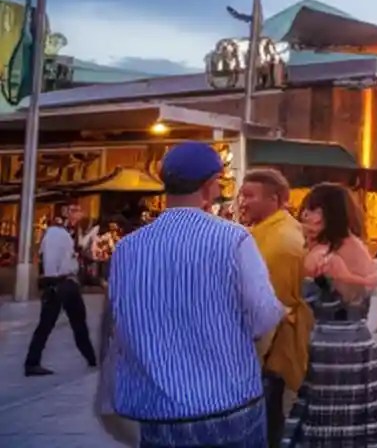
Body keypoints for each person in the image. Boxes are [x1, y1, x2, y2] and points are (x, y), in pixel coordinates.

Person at [108, 141, 284, 446]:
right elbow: (263, 315)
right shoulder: (233, 239)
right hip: (227, 405)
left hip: (157, 411)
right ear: (208, 186)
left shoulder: (126, 248)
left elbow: (120, 320)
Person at [283, 183, 377, 447]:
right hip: (320, 343)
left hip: (343, 345)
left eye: (315, 210)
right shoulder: (315, 243)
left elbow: (371, 281)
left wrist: (342, 276)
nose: (307, 215)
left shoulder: (347, 244)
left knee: (339, 421)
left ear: (332, 213)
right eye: (307, 209)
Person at [241, 168, 314, 448]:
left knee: (272, 429)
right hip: (270, 354)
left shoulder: (281, 243)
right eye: (242, 196)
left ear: (276, 199)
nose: (243, 202)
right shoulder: (268, 233)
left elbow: (272, 310)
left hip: (273, 355)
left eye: (250, 196)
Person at [24, 202, 97, 377]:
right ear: (65, 213)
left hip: (67, 282)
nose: (79, 214)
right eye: (75, 210)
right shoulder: (56, 234)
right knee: (48, 325)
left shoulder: (65, 233)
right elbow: (51, 262)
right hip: (59, 284)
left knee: (78, 322)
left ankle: (92, 358)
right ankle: (32, 363)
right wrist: (53, 281)